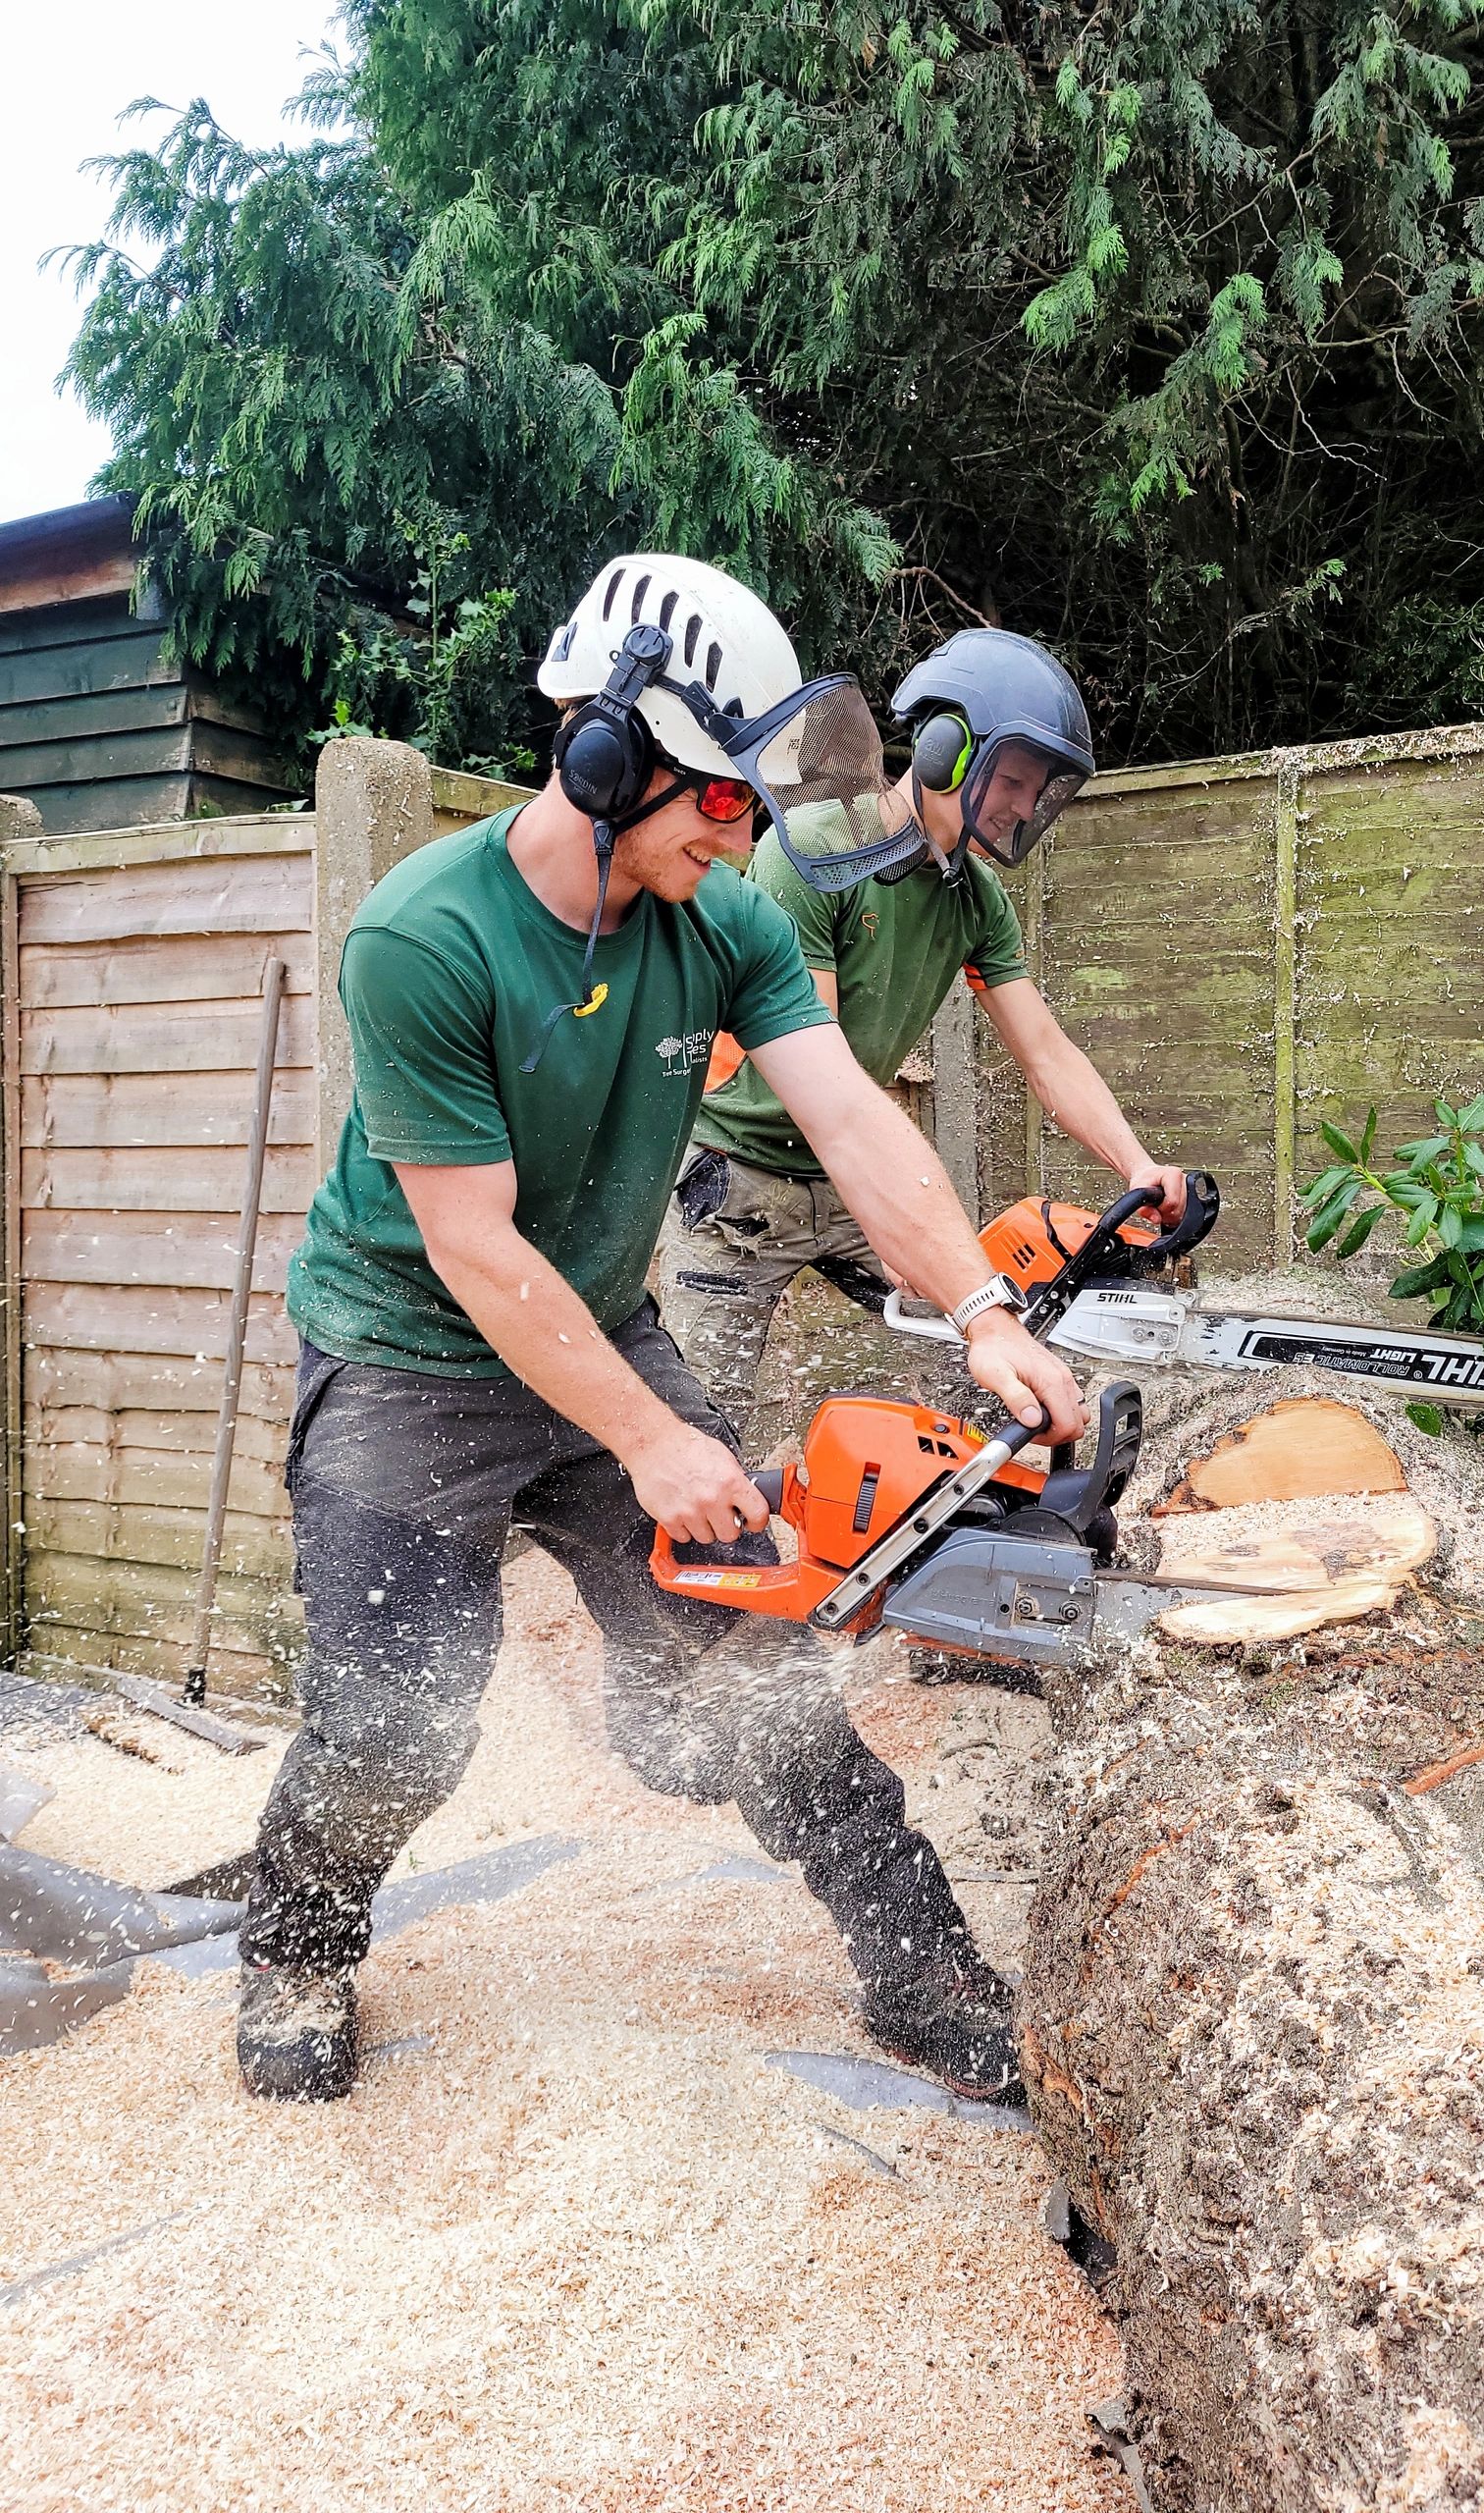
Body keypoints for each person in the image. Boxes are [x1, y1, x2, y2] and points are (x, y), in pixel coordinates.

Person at [238, 557, 1085, 2108]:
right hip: (407, 1361)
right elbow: (476, 1252)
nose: (741, 831)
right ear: (603, 755)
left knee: (760, 1666)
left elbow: (850, 1121)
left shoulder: (726, 922)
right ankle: (296, 1947)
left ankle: (919, 1965)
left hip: (603, 1328)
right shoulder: (422, 938)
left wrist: (980, 1312)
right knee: (394, 1721)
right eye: (713, 798)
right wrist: (653, 1437)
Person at [659, 626, 1190, 1434]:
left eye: (1035, 788)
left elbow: (1045, 1052)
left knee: (981, 1361)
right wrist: (899, 1226)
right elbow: (823, 1080)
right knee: (704, 1422)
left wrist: (1136, 1165)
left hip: (847, 1174)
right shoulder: (816, 850)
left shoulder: (974, 897)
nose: (1020, 804)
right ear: (944, 749)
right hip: (739, 1183)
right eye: (1011, 780)